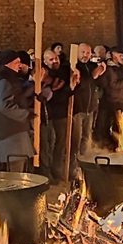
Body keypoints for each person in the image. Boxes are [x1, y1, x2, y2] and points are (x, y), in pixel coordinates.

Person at [0, 50, 35, 172]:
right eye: (17, 62)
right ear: (8, 63)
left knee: (20, 168)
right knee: (15, 171)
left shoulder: (10, 77)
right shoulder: (4, 79)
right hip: (10, 133)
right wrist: (26, 114)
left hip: (16, 131)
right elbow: (5, 106)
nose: (20, 65)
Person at [40, 49, 71, 182]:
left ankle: (57, 171)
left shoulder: (62, 73)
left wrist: (69, 88)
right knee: (48, 145)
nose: (54, 61)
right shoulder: (45, 76)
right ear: (45, 61)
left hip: (60, 114)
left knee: (59, 144)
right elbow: (49, 97)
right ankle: (47, 173)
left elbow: (64, 92)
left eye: (56, 58)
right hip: (48, 115)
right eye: (51, 60)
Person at [72, 43, 106, 155]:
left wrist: (101, 71)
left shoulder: (92, 66)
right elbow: (80, 84)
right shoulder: (74, 66)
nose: (85, 55)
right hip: (77, 109)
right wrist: (93, 76)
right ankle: (74, 163)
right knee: (76, 139)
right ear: (77, 53)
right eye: (82, 52)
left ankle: (85, 161)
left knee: (86, 137)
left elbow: (99, 84)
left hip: (90, 107)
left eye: (87, 53)